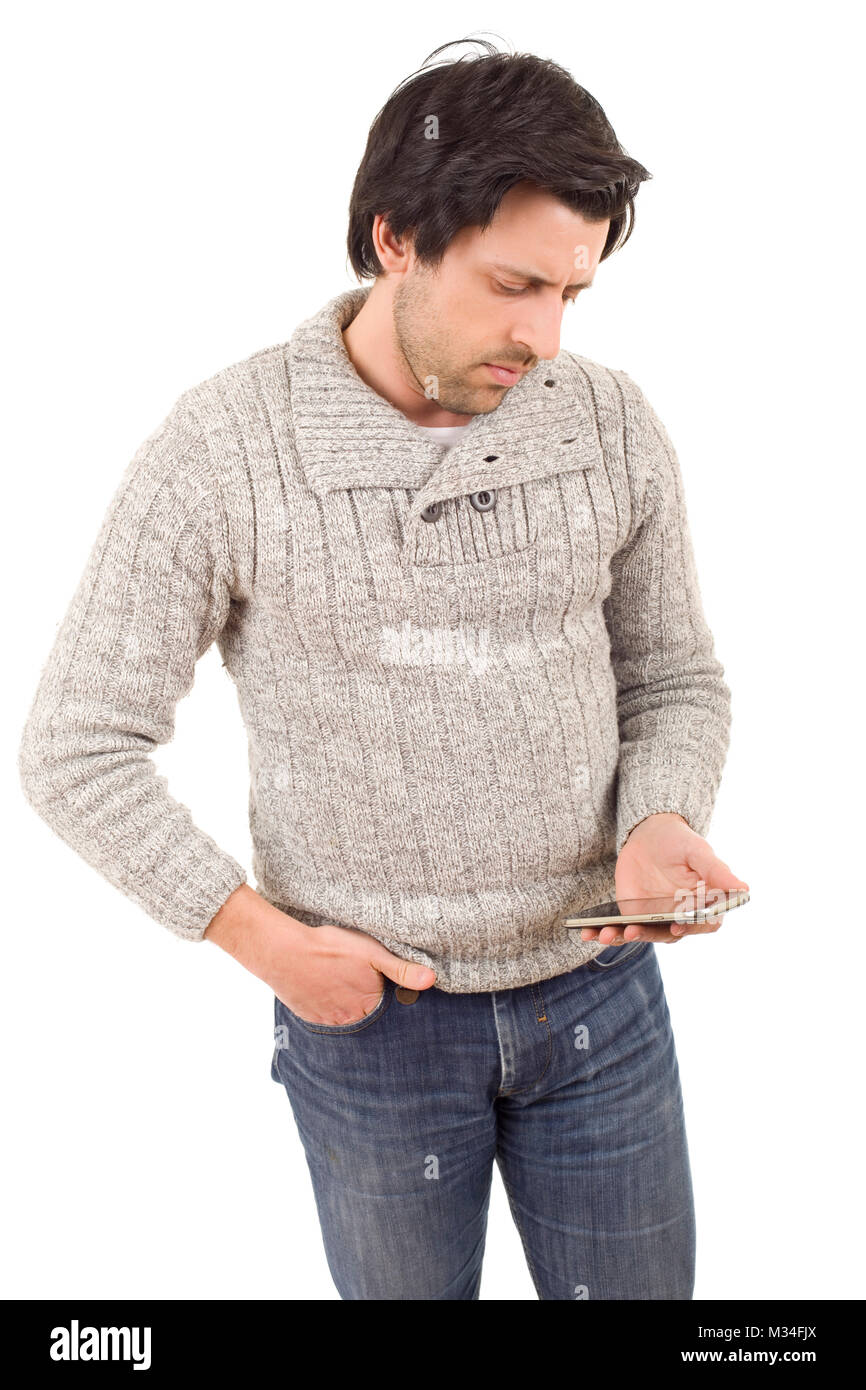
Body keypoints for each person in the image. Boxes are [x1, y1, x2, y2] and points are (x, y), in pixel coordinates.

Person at [18, 39, 748, 1300]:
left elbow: (673, 674)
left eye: (571, 290)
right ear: (395, 236)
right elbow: (76, 745)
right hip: (374, 1036)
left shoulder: (608, 422)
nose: (544, 335)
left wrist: (659, 815)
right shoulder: (227, 450)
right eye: (513, 283)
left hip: (601, 1000)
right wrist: (257, 939)